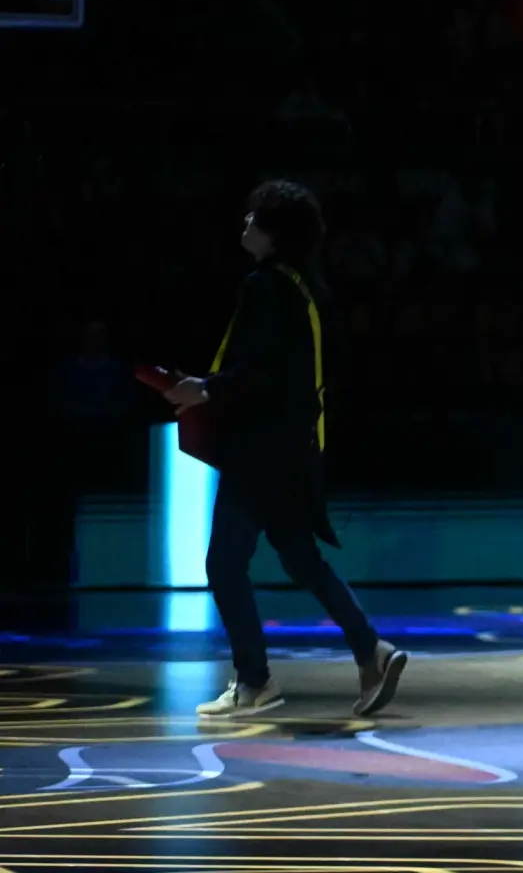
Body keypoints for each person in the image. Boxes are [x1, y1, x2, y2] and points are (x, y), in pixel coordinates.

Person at [162, 181, 406, 718]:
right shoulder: (307, 288)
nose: (244, 225)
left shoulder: (265, 286)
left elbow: (262, 373)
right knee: (300, 557)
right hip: (295, 452)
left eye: (254, 219)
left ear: (275, 233)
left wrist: (205, 388)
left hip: (261, 454)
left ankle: (255, 682)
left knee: (225, 565)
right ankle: (371, 650)